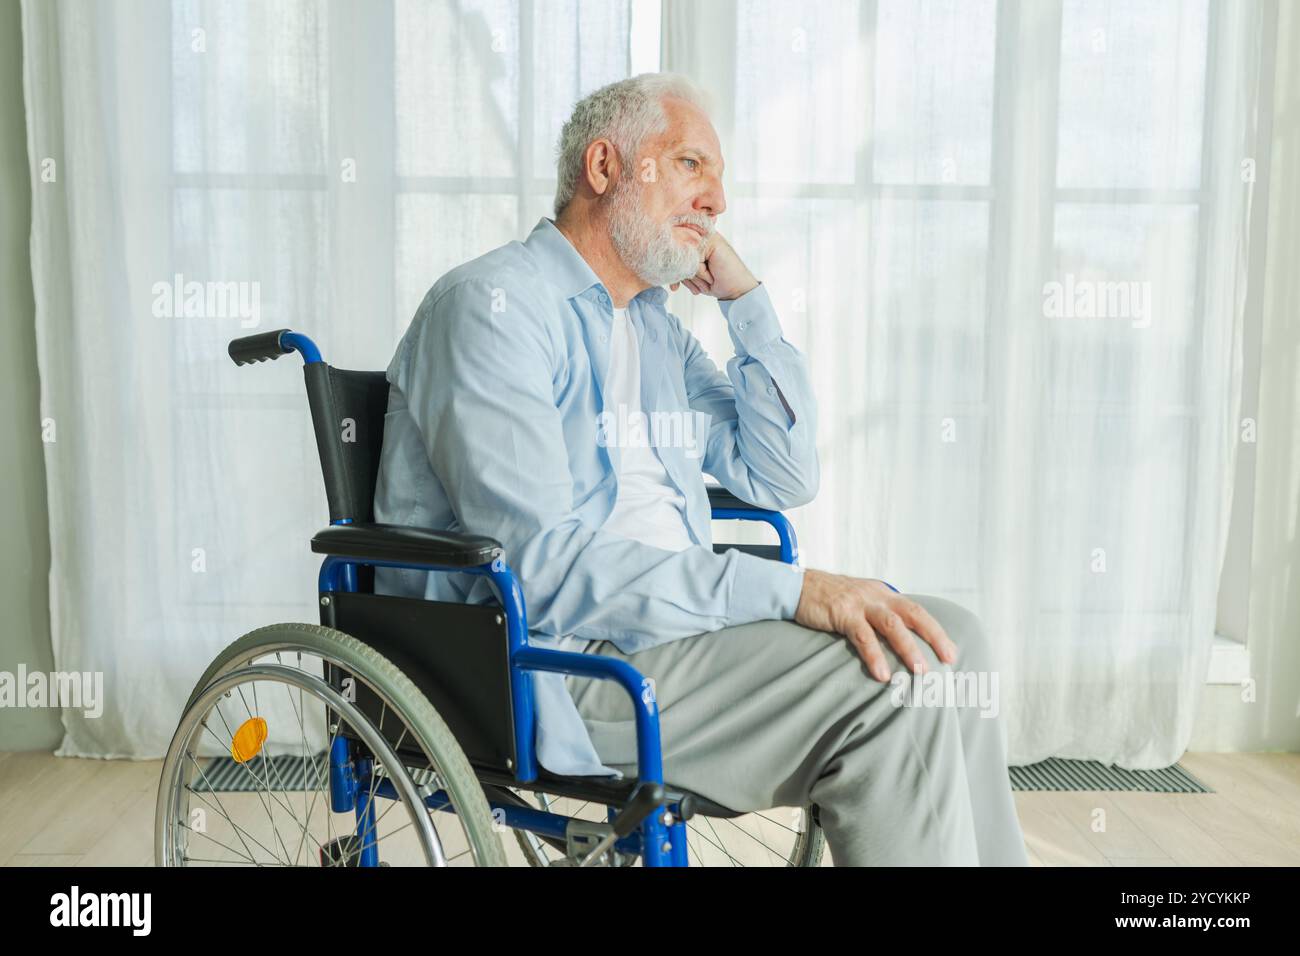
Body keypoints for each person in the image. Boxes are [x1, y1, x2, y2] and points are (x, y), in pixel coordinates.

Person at [374, 72, 1028, 866]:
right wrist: (791, 589)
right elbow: (541, 571)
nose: (716, 200)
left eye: (719, 179)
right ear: (606, 167)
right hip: (559, 664)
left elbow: (782, 473)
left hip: (674, 633)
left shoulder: (655, 332)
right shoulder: (491, 308)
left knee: (953, 644)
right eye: (691, 164)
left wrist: (744, 300)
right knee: (899, 680)